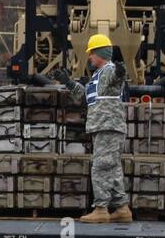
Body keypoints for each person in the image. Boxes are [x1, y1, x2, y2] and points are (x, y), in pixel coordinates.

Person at [53, 34, 131, 223]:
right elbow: (86, 96)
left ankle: (101, 209)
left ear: (100, 53)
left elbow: (117, 77)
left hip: (108, 126)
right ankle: (122, 208)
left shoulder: (110, 71)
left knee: (100, 167)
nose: (89, 57)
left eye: (91, 53)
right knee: (112, 167)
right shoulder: (98, 75)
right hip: (103, 127)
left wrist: (122, 71)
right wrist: (69, 83)